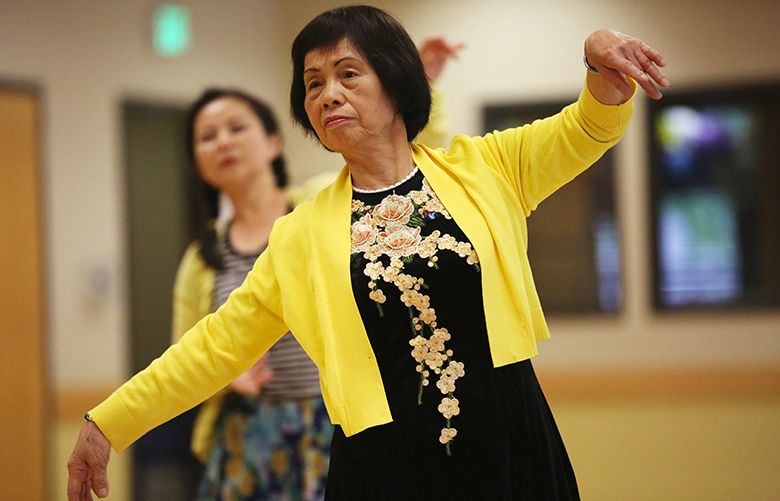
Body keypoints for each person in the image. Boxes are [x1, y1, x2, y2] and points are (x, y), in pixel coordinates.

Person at [67, 5, 668, 501]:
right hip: (386, 466)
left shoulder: (487, 168)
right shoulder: (299, 235)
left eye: (348, 74)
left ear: (396, 79)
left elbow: (589, 127)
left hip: (509, 441)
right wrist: (108, 424)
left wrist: (598, 61)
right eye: (313, 83)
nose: (329, 94)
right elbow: (213, 346)